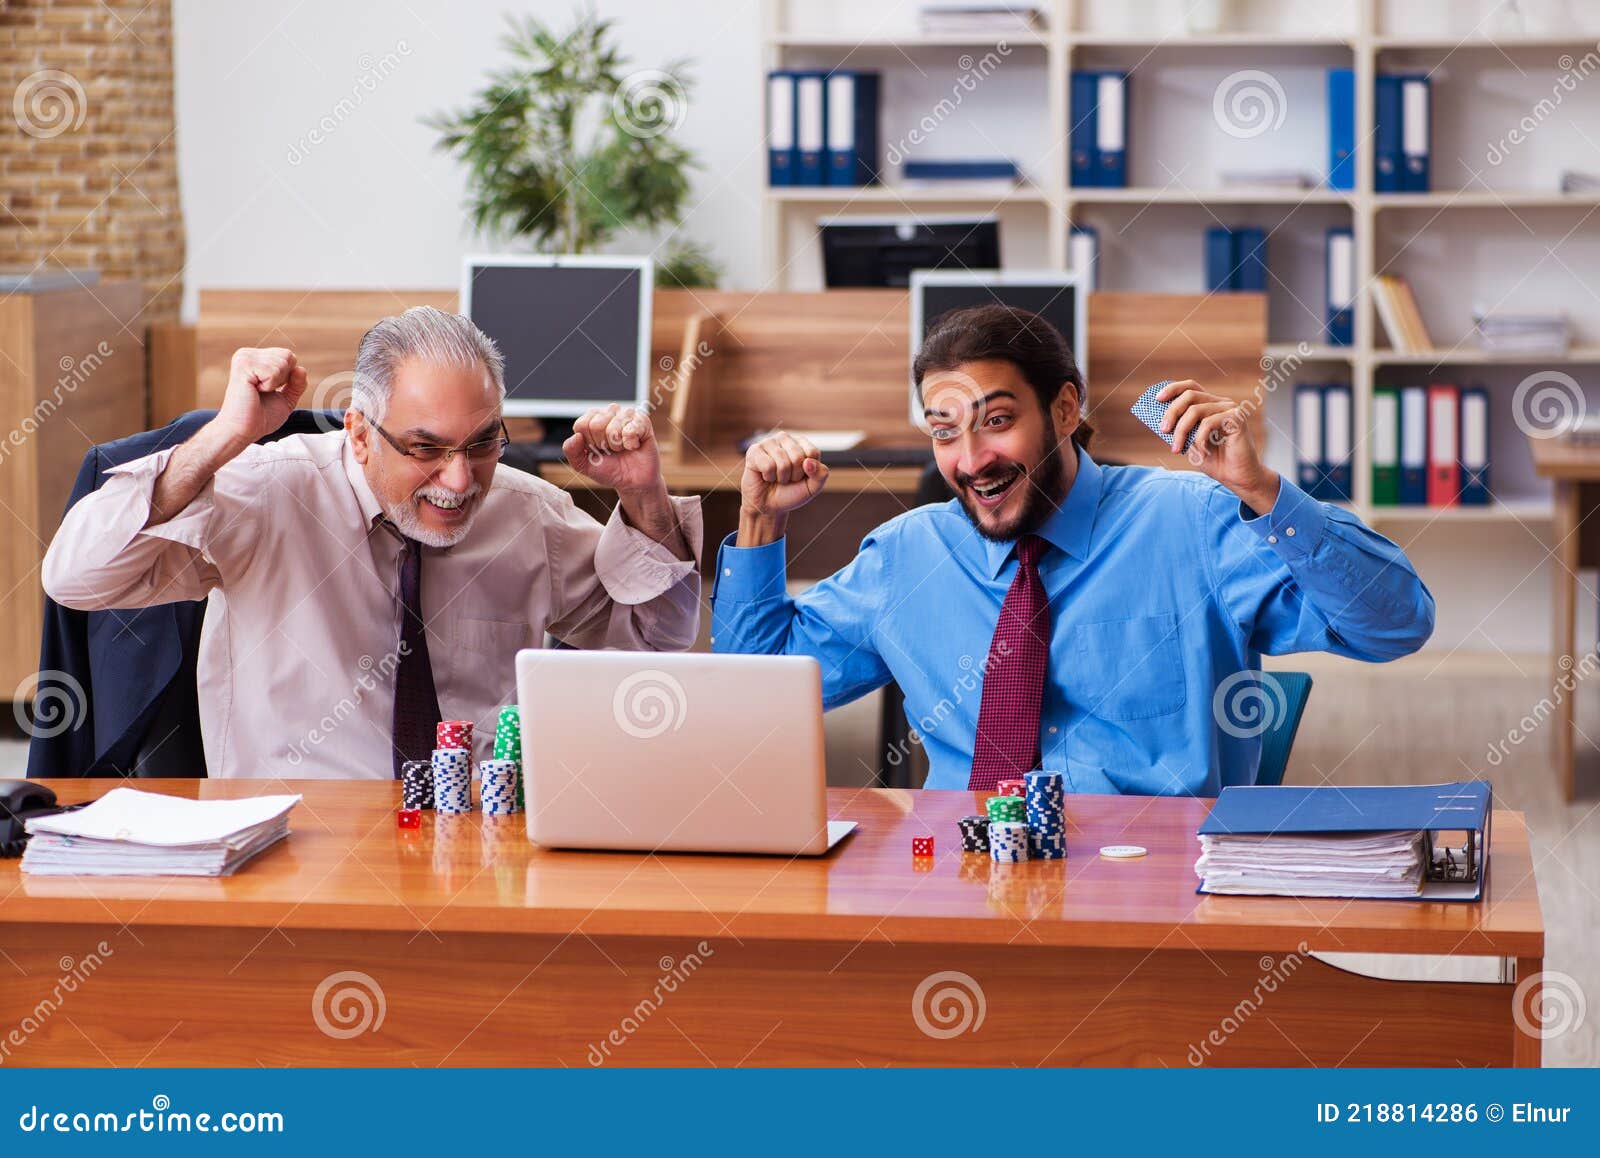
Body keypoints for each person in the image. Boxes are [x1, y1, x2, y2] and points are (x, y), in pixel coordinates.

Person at [711, 305, 1434, 794]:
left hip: (1158, 892)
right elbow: (754, 694)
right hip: (967, 888)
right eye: (944, 431)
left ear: (1064, 408)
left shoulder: (1189, 521)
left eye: (996, 421)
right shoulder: (909, 553)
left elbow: (1396, 623)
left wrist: (1266, 492)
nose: (971, 459)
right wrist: (759, 520)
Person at [43, 306, 702, 778]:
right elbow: (76, 578)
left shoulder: (524, 511)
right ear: (358, 433)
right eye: (426, 448)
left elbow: (656, 636)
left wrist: (643, 496)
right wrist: (224, 436)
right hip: (298, 847)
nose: (459, 479)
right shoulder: (270, 492)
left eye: (482, 443)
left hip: (473, 840)